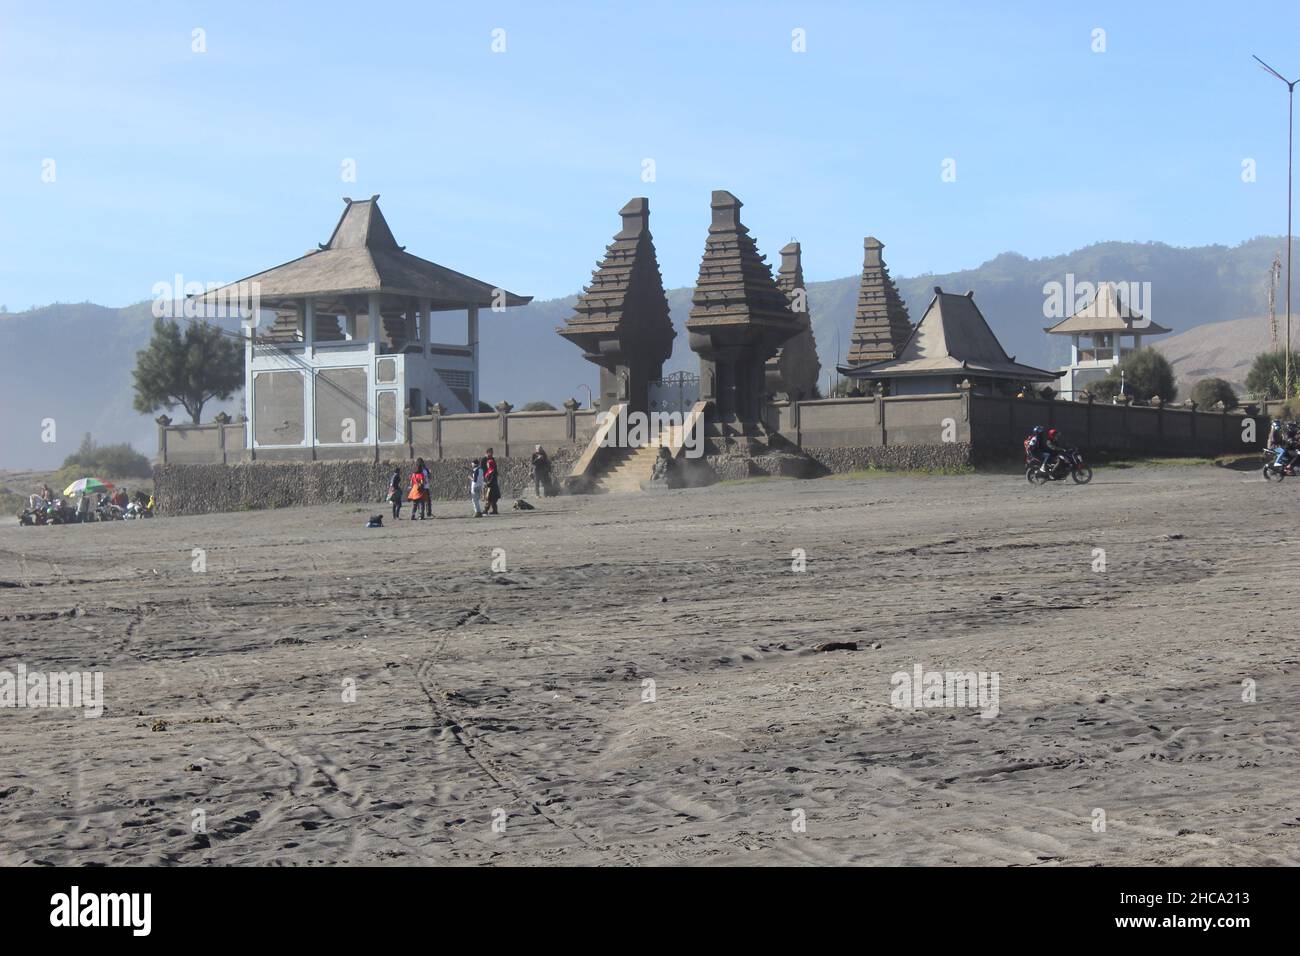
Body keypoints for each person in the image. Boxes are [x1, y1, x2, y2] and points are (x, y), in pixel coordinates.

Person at [484, 448, 500, 515]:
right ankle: (488, 510)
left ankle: (493, 510)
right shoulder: (489, 471)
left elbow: (492, 479)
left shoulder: (492, 471)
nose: (487, 465)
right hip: (490, 487)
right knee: (490, 500)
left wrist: (488, 483)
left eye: (488, 464)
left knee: (491, 500)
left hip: (492, 488)